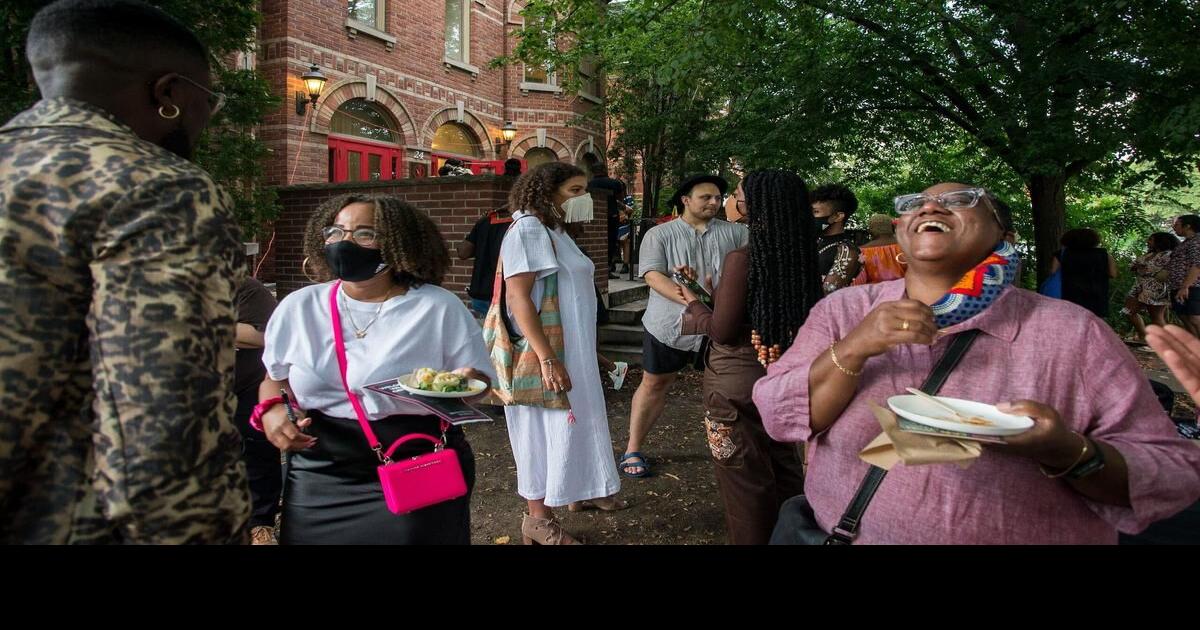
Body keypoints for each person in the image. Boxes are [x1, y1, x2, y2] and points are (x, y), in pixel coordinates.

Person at [752, 183, 1200, 544]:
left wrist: (1065, 450)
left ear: (1003, 238)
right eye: (917, 202)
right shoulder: (844, 311)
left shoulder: (1071, 331)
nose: (932, 205)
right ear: (901, 241)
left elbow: (1168, 473)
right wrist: (855, 346)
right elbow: (779, 414)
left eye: (961, 200)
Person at [0, 0, 249, 544]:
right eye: (210, 101)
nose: (207, 118)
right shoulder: (156, 188)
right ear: (169, 94)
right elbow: (162, 427)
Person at [258, 194, 494, 544]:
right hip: (320, 469)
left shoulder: (437, 307)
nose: (345, 243)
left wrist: (463, 383)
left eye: (364, 233)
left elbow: (482, 385)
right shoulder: (299, 307)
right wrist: (272, 410)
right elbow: (273, 380)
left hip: (413, 458)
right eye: (336, 232)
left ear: (398, 244)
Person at [677, 170, 820, 544]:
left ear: (752, 206)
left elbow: (723, 330)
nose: (731, 203)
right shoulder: (802, 254)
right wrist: (719, 294)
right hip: (779, 372)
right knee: (783, 466)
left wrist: (695, 305)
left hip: (734, 386)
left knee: (743, 482)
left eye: (737, 196)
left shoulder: (744, 257)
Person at [497, 162, 623, 544]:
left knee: (574, 420)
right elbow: (517, 297)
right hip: (546, 351)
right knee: (542, 428)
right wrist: (547, 356)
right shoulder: (530, 229)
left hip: (572, 349)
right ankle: (537, 519)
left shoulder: (555, 230)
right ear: (546, 193)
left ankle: (578, 489)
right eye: (574, 190)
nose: (584, 198)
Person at [620, 174, 748, 478]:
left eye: (718, 198)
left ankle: (732, 449)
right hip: (668, 326)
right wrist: (694, 299)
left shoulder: (737, 234)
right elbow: (653, 275)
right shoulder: (660, 234)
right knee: (654, 383)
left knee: (727, 388)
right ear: (685, 200)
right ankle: (632, 448)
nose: (714, 203)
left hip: (721, 325)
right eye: (706, 197)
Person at [233, 274, 281, 544]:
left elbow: (268, 334)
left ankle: (259, 524)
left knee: (257, 456)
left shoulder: (244, 287)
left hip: (246, 387)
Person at [457, 206, 514, 317]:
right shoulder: (520, 224)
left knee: (487, 331)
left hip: (480, 293)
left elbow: (462, 253)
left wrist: (479, 227)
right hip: (507, 294)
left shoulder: (485, 221)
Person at [1050, 228, 1118, 318]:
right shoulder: (1104, 255)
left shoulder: (1062, 254)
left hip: (1069, 297)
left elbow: (1052, 272)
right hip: (1096, 298)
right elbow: (1113, 274)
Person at [1123, 233, 1177, 344]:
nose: (1148, 241)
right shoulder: (1150, 254)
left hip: (1156, 287)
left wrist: (1143, 267)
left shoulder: (1169, 254)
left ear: (1160, 241)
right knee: (1128, 311)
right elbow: (1133, 265)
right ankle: (1144, 336)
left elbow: (1155, 269)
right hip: (1139, 285)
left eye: (1151, 239)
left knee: (1156, 316)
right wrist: (1139, 267)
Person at [810, 183, 861, 295]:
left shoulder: (847, 251)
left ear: (838, 216)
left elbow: (826, 294)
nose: (809, 216)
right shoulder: (812, 243)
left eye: (816, 212)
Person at [587, 163, 628, 279]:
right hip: (612, 215)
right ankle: (608, 268)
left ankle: (597, 268)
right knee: (611, 242)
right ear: (605, 170)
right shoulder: (614, 183)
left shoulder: (589, 184)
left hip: (594, 217)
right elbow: (620, 198)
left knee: (595, 242)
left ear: (593, 172)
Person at [1168, 215, 1200, 337]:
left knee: (1194, 318)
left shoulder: (1196, 241)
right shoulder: (1185, 243)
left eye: (1177, 225)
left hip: (1192, 287)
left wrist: (1185, 286)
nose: (1174, 227)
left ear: (1187, 226)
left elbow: (1197, 265)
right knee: (1185, 317)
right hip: (1178, 286)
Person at [853, 214, 906, 285]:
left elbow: (859, 283)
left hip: (876, 294)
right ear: (892, 227)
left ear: (870, 231)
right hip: (907, 291)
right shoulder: (906, 246)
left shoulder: (861, 251)